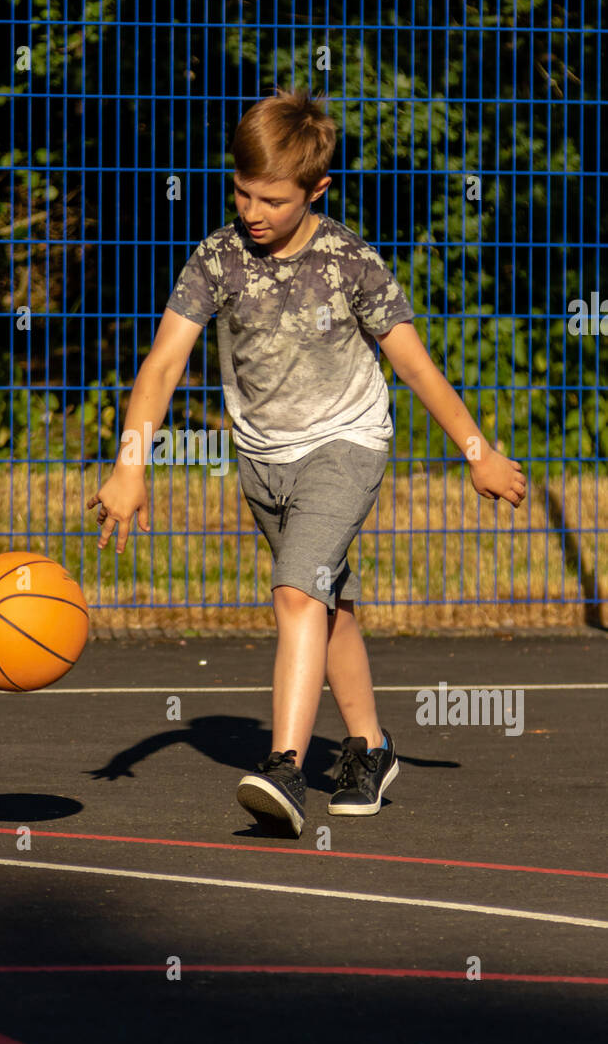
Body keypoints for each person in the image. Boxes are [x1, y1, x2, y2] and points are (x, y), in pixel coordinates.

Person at [87, 87, 526, 838]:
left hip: (346, 445)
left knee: (296, 594)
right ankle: (371, 747)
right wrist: (132, 464)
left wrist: (477, 453)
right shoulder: (217, 258)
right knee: (329, 606)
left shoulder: (349, 261)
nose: (252, 210)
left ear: (317, 189)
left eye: (271, 199)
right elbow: (161, 367)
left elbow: (416, 368)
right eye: (241, 191)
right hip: (263, 461)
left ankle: (284, 765)